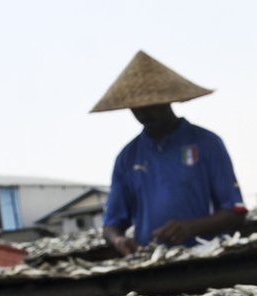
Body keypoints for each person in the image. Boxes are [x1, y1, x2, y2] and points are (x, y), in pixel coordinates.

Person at [90, 50, 248, 256]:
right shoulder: (127, 157)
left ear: (167, 100)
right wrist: (119, 240)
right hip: (151, 261)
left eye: (151, 106)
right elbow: (111, 224)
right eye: (137, 108)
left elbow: (235, 212)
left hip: (205, 258)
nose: (144, 113)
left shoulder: (207, 143)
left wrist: (191, 227)